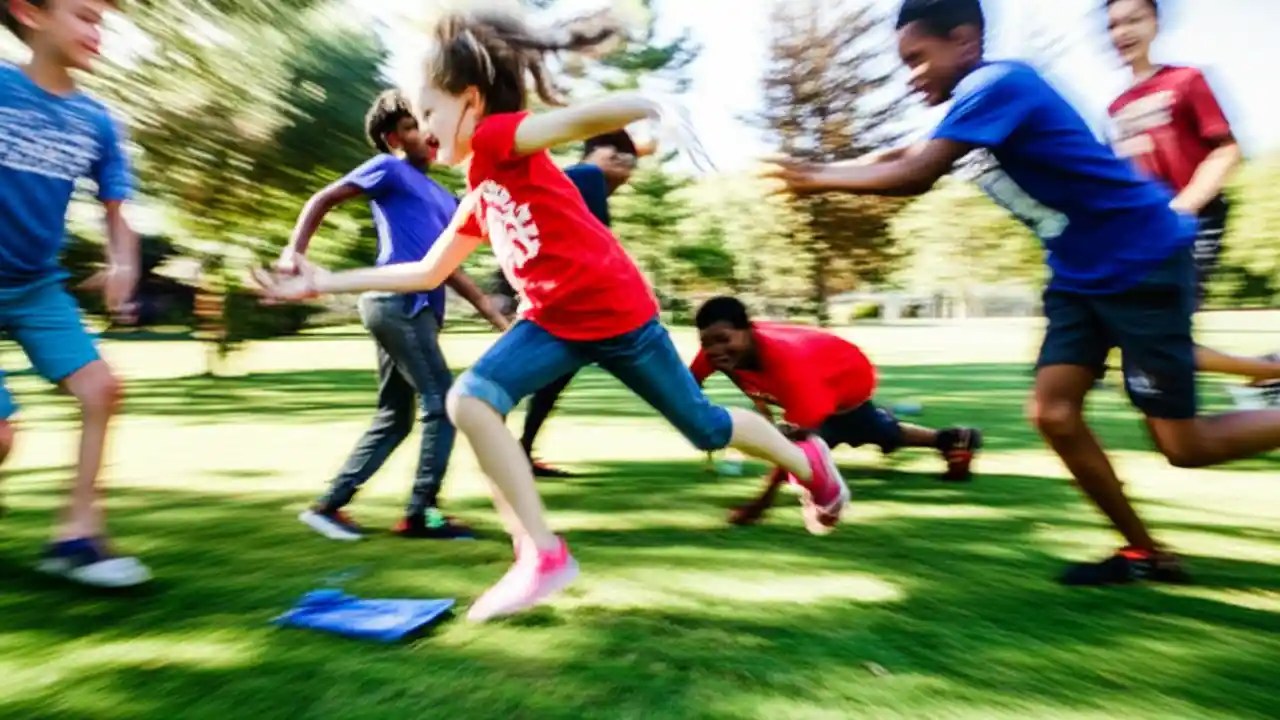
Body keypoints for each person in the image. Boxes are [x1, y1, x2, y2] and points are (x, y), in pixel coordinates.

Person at [254, 9, 848, 622]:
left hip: (620, 318)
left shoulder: (496, 139)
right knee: (470, 400)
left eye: (429, 113)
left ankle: (809, 463)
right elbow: (427, 271)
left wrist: (653, 104)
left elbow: (569, 122)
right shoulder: (481, 191)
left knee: (704, 428)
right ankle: (541, 554)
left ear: (470, 102)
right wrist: (325, 281)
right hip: (553, 322)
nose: (425, 131)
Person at [766, 0, 1280, 586]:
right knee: (1053, 413)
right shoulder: (972, 104)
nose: (910, 76)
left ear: (963, 40)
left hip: (1140, 261)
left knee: (1183, 446)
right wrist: (814, 169)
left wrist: (814, 180)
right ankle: (1146, 554)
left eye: (916, 58)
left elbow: (915, 175)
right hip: (1079, 275)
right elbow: (902, 155)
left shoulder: (998, 83)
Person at [276, 90, 508, 542]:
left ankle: (329, 506)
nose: (422, 133)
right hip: (395, 303)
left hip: (413, 309)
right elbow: (323, 199)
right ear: (392, 139)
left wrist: (491, 313)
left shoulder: (443, 195)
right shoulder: (389, 169)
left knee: (395, 416)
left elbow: (445, 266)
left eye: (422, 123)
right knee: (443, 403)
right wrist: (294, 253)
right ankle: (422, 513)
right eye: (408, 128)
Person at [1, 0, 150, 587]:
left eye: (101, 21)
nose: (98, 32)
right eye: (84, 17)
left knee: (101, 389)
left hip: (36, 286)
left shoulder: (96, 119)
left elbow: (118, 208)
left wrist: (122, 263)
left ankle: (77, 535)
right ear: (29, 15)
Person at [1105, 0, 1280, 400]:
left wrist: (1182, 209)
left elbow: (1227, 151)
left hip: (1192, 222)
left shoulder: (1186, 81)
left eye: (1135, 20)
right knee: (1140, 339)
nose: (1123, 33)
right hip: (1144, 233)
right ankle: (1268, 373)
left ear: (1156, 23)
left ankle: (1270, 374)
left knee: (1154, 338)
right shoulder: (1115, 108)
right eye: (1114, 25)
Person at [690, 296, 982, 526]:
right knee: (871, 430)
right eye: (707, 342)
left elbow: (800, 442)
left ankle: (954, 439)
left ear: (748, 330)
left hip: (847, 377)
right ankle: (954, 438)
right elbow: (685, 388)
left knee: (811, 446)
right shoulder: (718, 352)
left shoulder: (790, 365)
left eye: (724, 339)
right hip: (818, 377)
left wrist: (759, 505)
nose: (714, 351)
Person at [493, 129, 655, 477]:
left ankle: (518, 453)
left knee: (551, 379)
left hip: (553, 301)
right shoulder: (587, 176)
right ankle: (502, 454)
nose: (626, 178)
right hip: (552, 303)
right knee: (510, 379)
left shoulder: (572, 182)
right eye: (625, 166)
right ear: (605, 154)